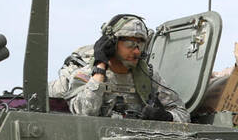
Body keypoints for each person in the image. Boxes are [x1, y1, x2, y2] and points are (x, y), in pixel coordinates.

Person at [49, 14, 189, 122]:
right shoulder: (86, 74)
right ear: (112, 44)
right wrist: (99, 70)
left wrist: (166, 116)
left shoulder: (147, 76)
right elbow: (85, 113)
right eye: (130, 44)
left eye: (140, 45)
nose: (136, 52)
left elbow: (183, 114)